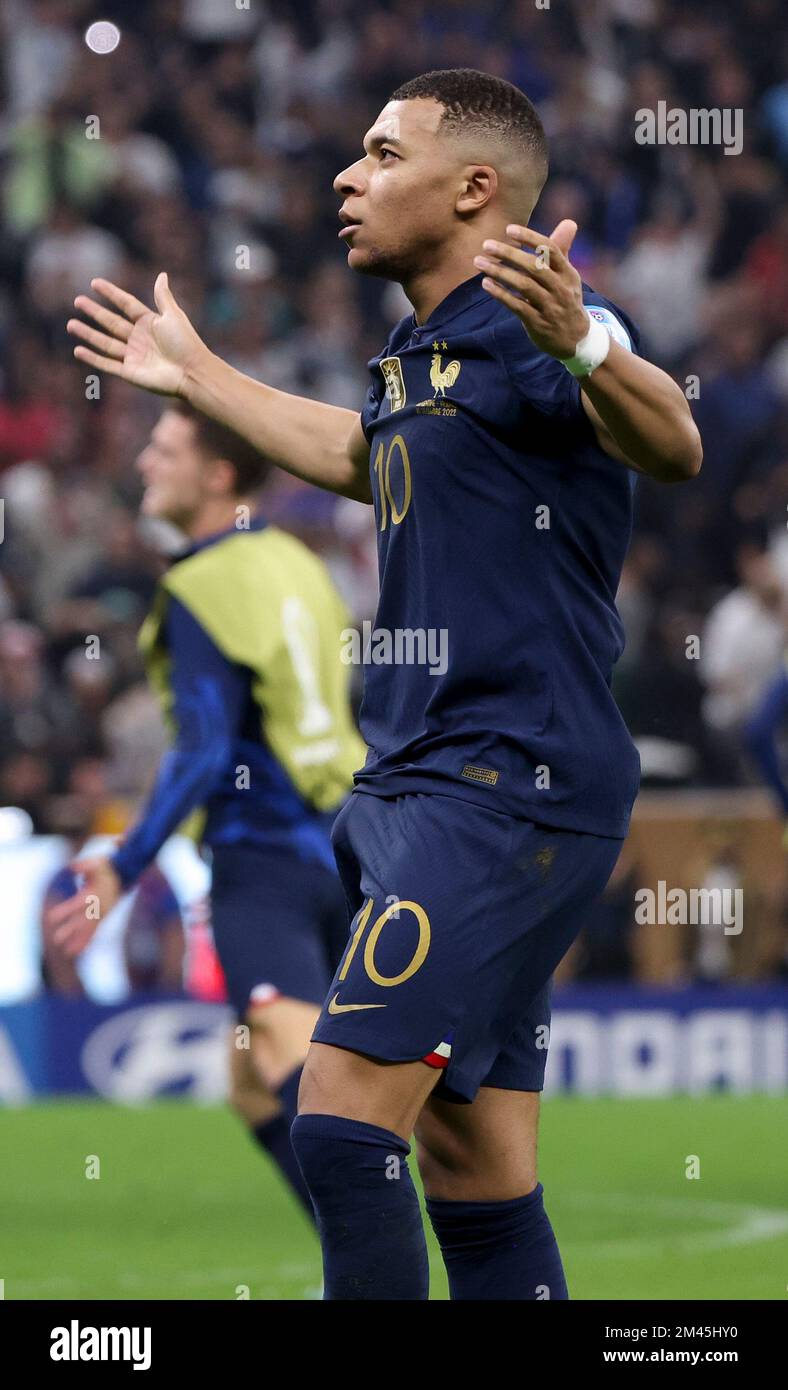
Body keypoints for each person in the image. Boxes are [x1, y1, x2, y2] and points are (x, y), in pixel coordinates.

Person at [65, 68, 701, 1300]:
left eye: (377, 153)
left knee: (340, 1127)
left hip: (502, 781)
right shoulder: (420, 350)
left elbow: (669, 437)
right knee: (476, 1169)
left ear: (473, 187)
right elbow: (356, 452)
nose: (345, 177)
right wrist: (198, 376)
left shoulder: (528, 322)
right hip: (421, 784)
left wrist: (587, 338)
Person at [47, 400, 364, 1218]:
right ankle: (367, 1256)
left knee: (312, 1097)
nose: (146, 463)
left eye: (165, 450)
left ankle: (382, 1275)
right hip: (352, 842)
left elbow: (205, 747)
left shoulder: (198, 584)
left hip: (266, 863)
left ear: (218, 475)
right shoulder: (298, 564)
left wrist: (122, 864)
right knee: (253, 1088)